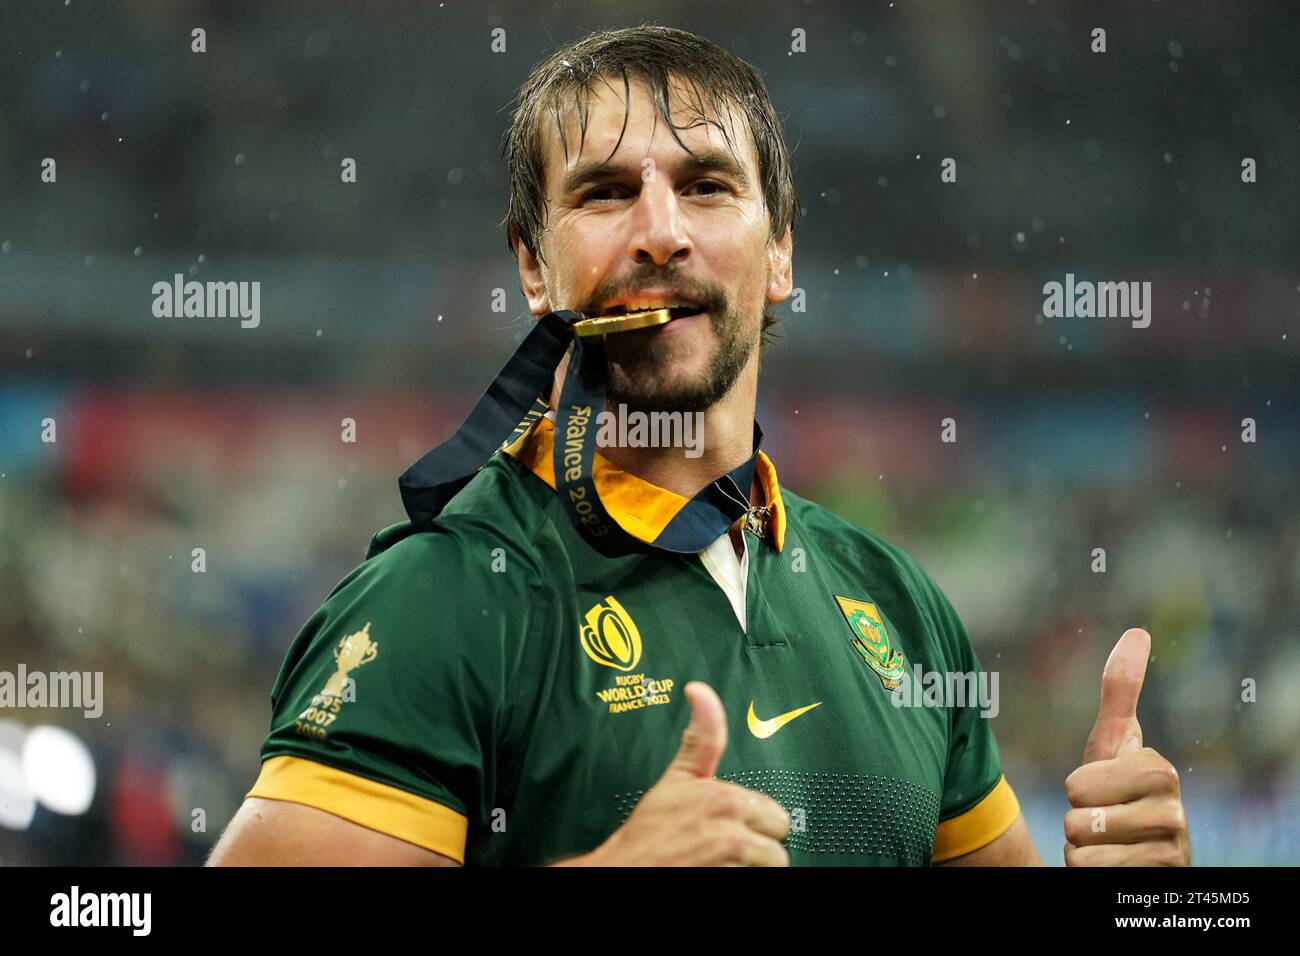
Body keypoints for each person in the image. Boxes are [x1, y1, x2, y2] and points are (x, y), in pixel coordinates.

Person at [209, 24, 1189, 867]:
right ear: (532, 266)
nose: (660, 232)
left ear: (780, 253)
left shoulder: (900, 606)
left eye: (707, 185)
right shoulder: (441, 602)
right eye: (602, 193)